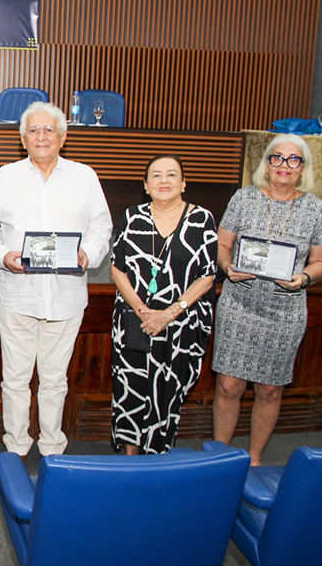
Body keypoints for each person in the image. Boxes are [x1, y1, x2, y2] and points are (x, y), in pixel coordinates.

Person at [0, 101, 113, 458]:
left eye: (49, 130)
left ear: (63, 137)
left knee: (55, 379)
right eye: (33, 130)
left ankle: (52, 447)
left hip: (66, 296)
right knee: (15, 378)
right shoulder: (5, 177)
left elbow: (101, 225)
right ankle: (15, 446)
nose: (41, 136)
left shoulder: (84, 176)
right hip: (18, 294)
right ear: (22, 139)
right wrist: (3, 257)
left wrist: (87, 253)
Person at [212, 134, 322, 465]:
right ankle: (220, 457)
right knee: (229, 385)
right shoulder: (243, 199)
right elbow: (222, 246)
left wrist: (305, 277)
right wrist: (227, 267)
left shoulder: (315, 209)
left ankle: (254, 458)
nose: (284, 165)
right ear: (266, 164)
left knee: (269, 389)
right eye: (277, 158)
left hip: (285, 309)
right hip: (239, 303)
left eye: (294, 159)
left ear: (302, 168)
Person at [110, 155, 217, 454]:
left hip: (181, 324)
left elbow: (207, 276)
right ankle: (129, 460)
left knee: (166, 394)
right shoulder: (133, 216)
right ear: (145, 185)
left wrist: (169, 313)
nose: (164, 181)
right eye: (156, 175)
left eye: (172, 175)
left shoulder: (201, 220)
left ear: (184, 183)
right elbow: (117, 268)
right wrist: (143, 310)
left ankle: (156, 461)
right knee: (129, 389)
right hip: (134, 319)